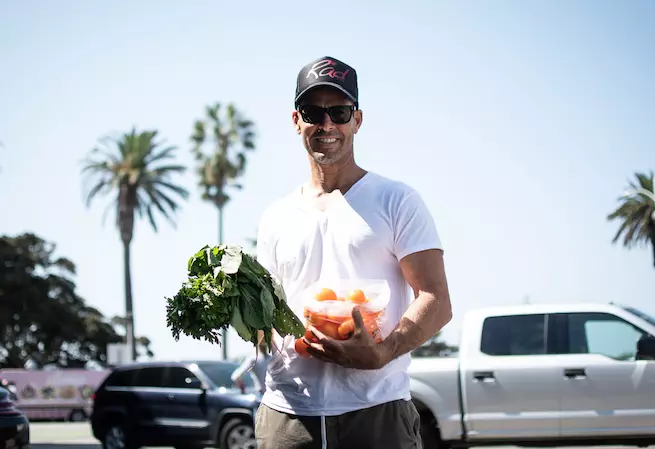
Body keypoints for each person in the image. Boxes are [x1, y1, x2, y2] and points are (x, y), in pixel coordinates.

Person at [254, 56, 453, 449]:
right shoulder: (274, 217)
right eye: (313, 112)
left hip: (376, 412)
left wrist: (383, 352)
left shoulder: (397, 201)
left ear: (356, 121)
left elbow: (437, 299)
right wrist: (250, 323)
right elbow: (266, 320)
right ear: (297, 121)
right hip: (287, 417)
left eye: (339, 112)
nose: (326, 125)